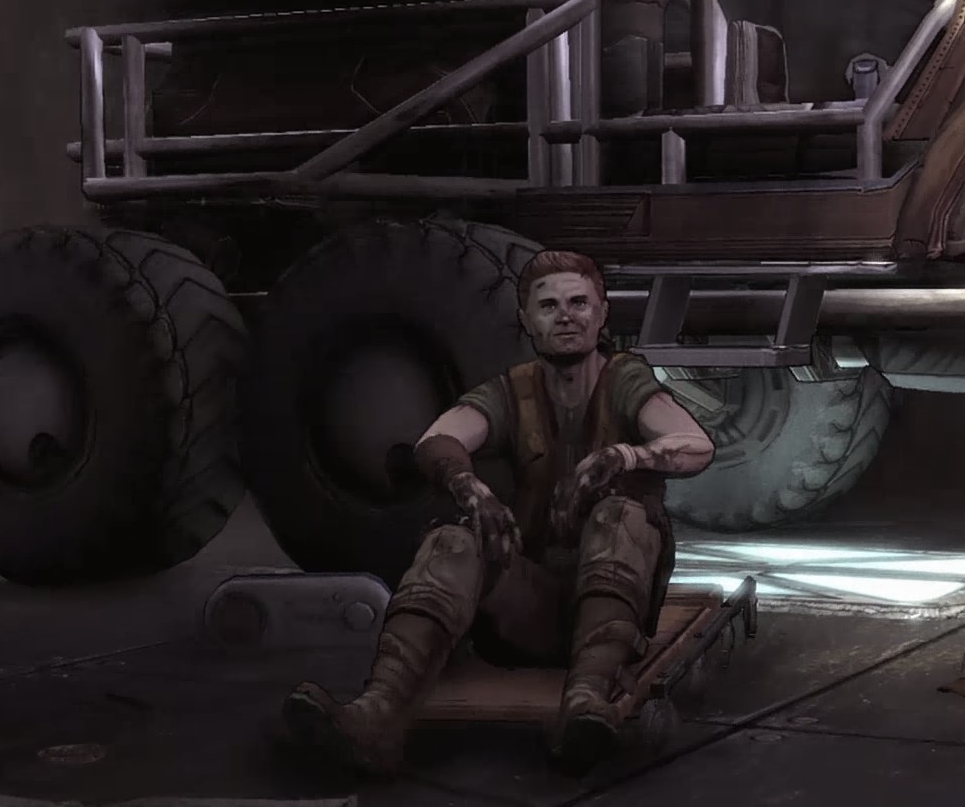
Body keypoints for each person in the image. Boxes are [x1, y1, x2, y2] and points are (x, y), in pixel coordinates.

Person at [282, 249, 715, 775]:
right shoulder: (514, 391)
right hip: (532, 605)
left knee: (620, 516)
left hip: (618, 606)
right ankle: (376, 714)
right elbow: (437, 439)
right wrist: (468, 487)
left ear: (602, 313)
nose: (566, 316)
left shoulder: (624, 381)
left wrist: (626, 456)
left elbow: (696, 445)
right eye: (549, 306)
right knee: (453, 539)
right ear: (526, 320)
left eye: (579, 303)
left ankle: (588, 700)